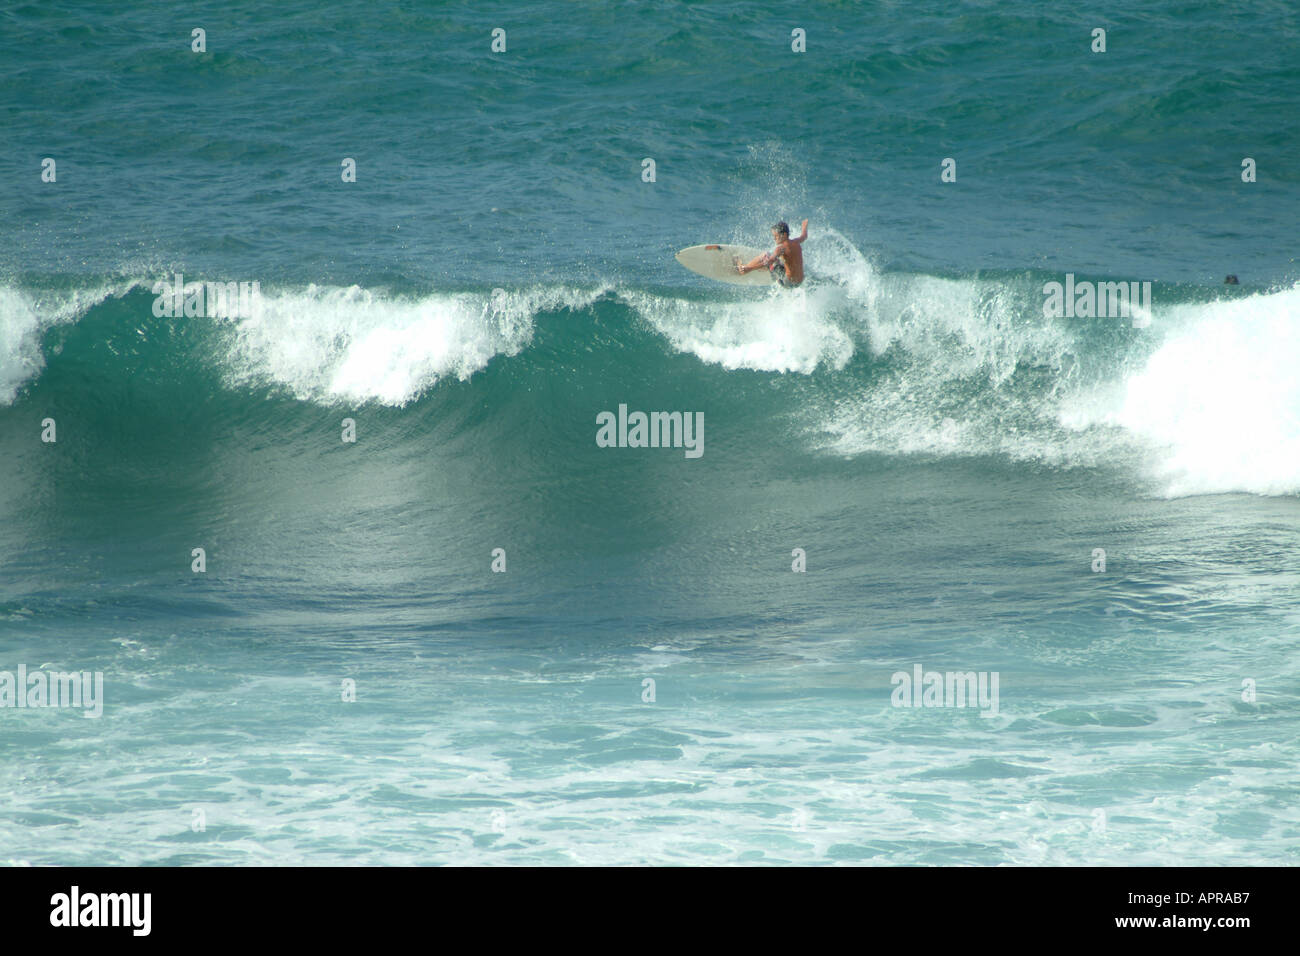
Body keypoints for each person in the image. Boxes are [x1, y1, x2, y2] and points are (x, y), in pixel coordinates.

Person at [738, 219, 807, 287]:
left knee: (766, 255)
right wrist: (804, 226)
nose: (774, 238)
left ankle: (745, 269)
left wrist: (750, 269)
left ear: (784, 235)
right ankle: (762, 269)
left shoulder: (781, 248)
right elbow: (804, 236)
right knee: (779, 260)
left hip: (787, 283)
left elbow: (768, 262)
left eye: (776, 236)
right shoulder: (796, 241)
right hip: (799, 282)